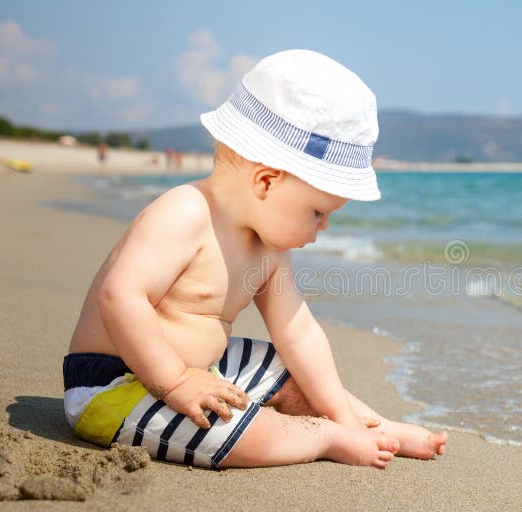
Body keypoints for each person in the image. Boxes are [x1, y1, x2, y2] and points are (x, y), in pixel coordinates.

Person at [63, 49, 448, 470]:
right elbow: (121, 297)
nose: (322, 228)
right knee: (231, 429)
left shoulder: (270, 250)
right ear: (266, 181)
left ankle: (361, 422)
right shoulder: (186, 212)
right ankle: (326, 437)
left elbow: (298, 332)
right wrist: (172, 380)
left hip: (199, 370)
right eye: (317, 212)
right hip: (116, 385)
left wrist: (337, 406)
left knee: (286, 366)